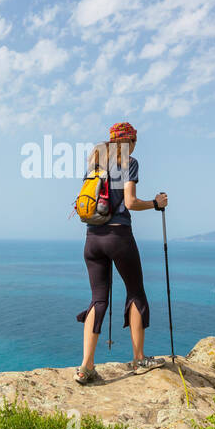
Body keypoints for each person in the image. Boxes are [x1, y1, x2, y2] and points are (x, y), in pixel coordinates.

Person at [75, 121, 168, 384]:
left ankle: (86, 367)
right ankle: (139, 360)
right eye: (135, 141)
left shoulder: (95, 164)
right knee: (136, 292)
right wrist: (155, 203)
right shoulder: (130, 162)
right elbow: (130, 202)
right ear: (129, 143)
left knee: (98, 299)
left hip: (92, 239)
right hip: (118, 237)